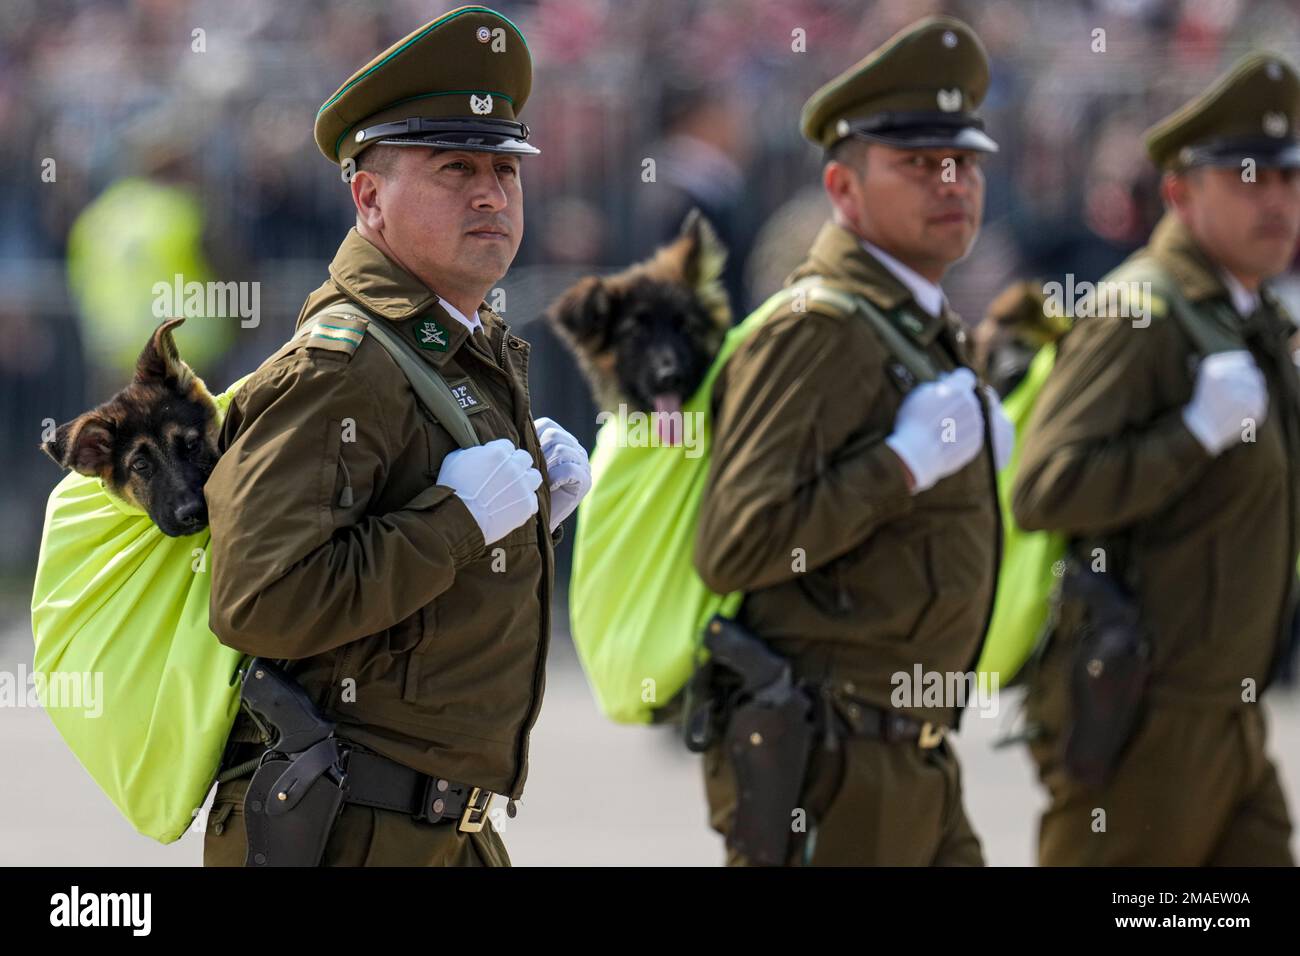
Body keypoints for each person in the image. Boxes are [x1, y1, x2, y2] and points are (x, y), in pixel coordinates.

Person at [201, 5, 591, 867]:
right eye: (455, 168)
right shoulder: (344, 363)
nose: (491, 192)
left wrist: (526, 520)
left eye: (505, 168)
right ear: (368, 195)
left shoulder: (449, 341)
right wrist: (457, 522)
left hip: (441, 829)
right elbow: (262, 602)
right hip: (350, 829)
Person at [691, 16, 1012, 866]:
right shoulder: (818, 327)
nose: (954, 183)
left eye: (966, 162)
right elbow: (737, 544)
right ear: (842, 188)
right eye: (918, 164)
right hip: (835, 766)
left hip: (908, 753)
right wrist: (902, 464)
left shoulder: (910, 323)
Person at [1013, 52, 1300, 866]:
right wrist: (1192, 436)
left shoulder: (1248, 314)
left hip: (1228, 712)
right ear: (1179, 194)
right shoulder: (1141, 312)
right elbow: (1046, 487)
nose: (1277, 201)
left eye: (1288, 179)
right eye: (1249, 181)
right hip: (1145, 717)